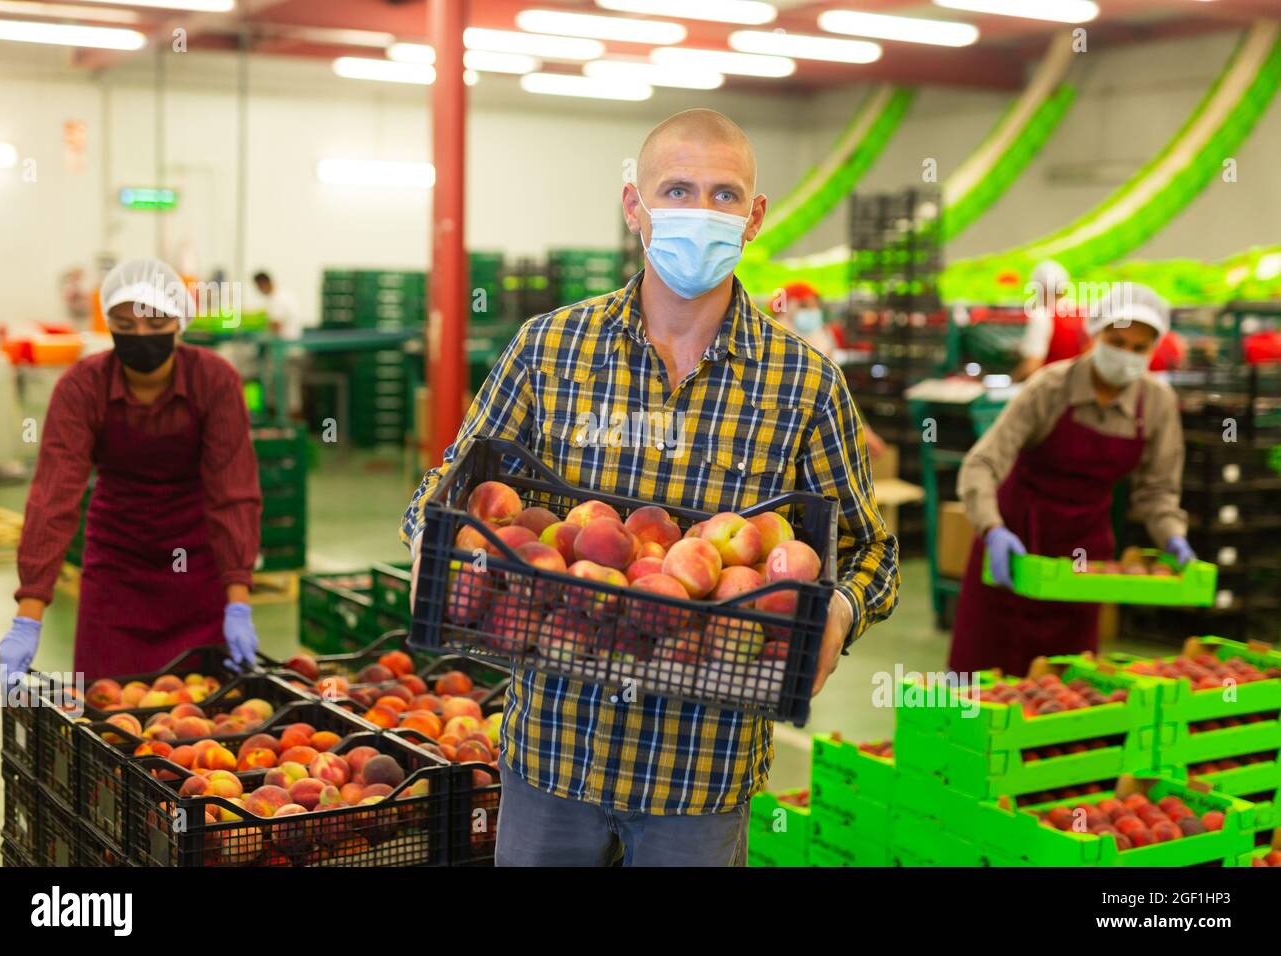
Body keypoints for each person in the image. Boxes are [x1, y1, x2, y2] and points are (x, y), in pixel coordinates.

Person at [401, 109, 898, 867]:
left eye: (724, 195)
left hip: (701, 773)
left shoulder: (806, 384)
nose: (701, 213)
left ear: (754, 217)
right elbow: (446, 488)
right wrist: (432, 544)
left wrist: (838, 606)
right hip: (554, 753)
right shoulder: (551, 349)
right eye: (677, 189)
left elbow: (870, 552)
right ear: (635, 207)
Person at [0, 258, 262, 686]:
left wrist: (237, 599)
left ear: (180, 322)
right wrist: (28, 614)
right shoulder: (82, 386)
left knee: (199, 717)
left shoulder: (215, 380)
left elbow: (232, 490)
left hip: (196, 565)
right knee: (108, 712)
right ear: (110, 324)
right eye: (126, 322)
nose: (140, 334)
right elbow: (53, 496)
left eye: (156, 322)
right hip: (116, 567)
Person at [951, 283, 1192, 675]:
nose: (1126, 355)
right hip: (1016, 545)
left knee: (1065, 686)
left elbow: (1158, 491)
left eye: (1139, 348)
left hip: (1083, 563)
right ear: (1094, 335)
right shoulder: (1050, 387)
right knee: (983, 682)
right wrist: (992, 528)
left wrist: (1173, 536)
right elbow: (982, 464)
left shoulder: (1157, 404)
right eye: (1117, 341)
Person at [770, 281, 888, 460]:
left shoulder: (822, 337)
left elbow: (837, 388)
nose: (811, 311)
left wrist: (863, 428)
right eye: (803, 305)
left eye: (815, 305)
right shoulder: (774, 339)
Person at [1012, 260, 1087, 382]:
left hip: (1052, 389)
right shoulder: (1083, 312)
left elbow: (1031, 367)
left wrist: (1012, 380)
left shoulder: (1042, 315)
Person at [254, 270, 305, 418]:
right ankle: (285, 423)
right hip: (289, 350)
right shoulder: (284, 296)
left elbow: (275, 326)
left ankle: (289, 424)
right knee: (286, 390)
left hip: (287, 352)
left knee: (287, 391)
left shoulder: (278, 300)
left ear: (264, 283)